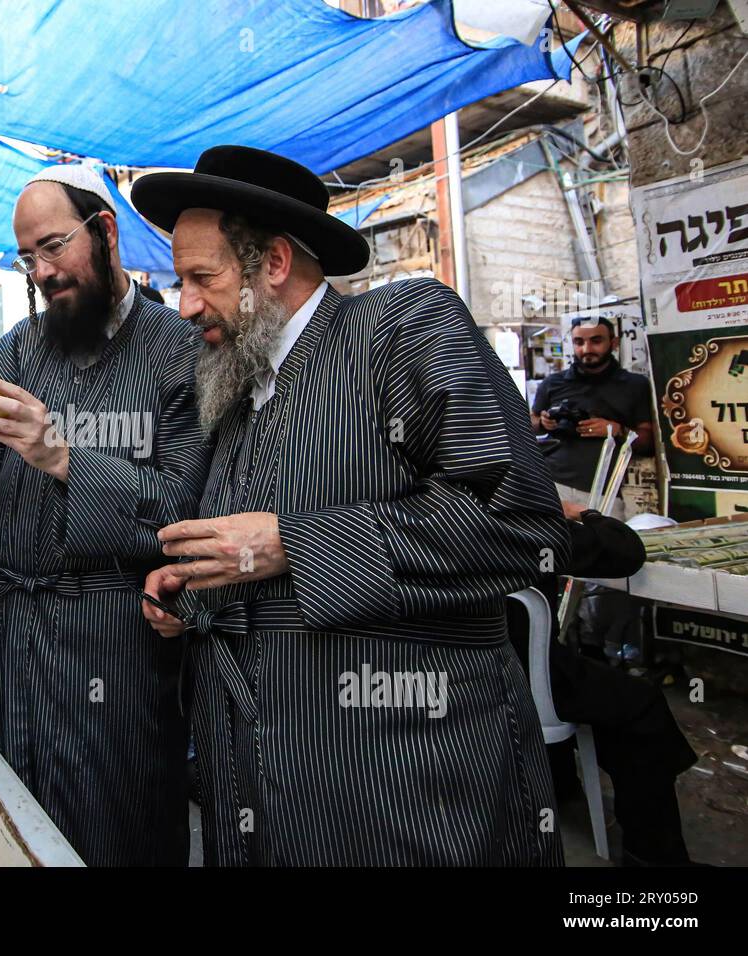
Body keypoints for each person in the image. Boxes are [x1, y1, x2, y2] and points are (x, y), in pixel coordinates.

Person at [133, 145, 571, 866]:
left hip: (400, 797)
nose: (184, 306)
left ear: (273, 263)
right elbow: (257, 568)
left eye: (200, 278)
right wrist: (195, 592)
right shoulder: (237, 392)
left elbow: (518, 523)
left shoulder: (400, 329)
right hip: (262, 795)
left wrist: (295, 545)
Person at [0, 164, 212, 866]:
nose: (42, 271)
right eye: (28, 258)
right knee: (2, 825)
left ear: (104, 231)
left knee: (116, 829)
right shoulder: (19, 347)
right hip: (4, 641)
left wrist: (63, 456)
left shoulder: (179, 351)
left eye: (54, 247)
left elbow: (183, 507)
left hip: (113, 644)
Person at [506, 502, 699, 866]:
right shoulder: (516, 522)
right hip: (517, 679)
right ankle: (654, 855)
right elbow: (625, 552)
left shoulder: (397, 518)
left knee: (587, 679)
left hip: (440, 681)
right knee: (640, 705)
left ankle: (558, 784)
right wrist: (586, 512)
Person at [531, 317, 654, 518]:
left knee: (607, 548)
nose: (587, 349)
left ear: (613, 343)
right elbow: (530, 424)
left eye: (596, 341)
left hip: (608, 491)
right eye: (579, 342)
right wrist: (544, 422)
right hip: (552, 484)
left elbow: (649, 441)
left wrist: (617, 430)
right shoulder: (553, 383)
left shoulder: (635, 385)